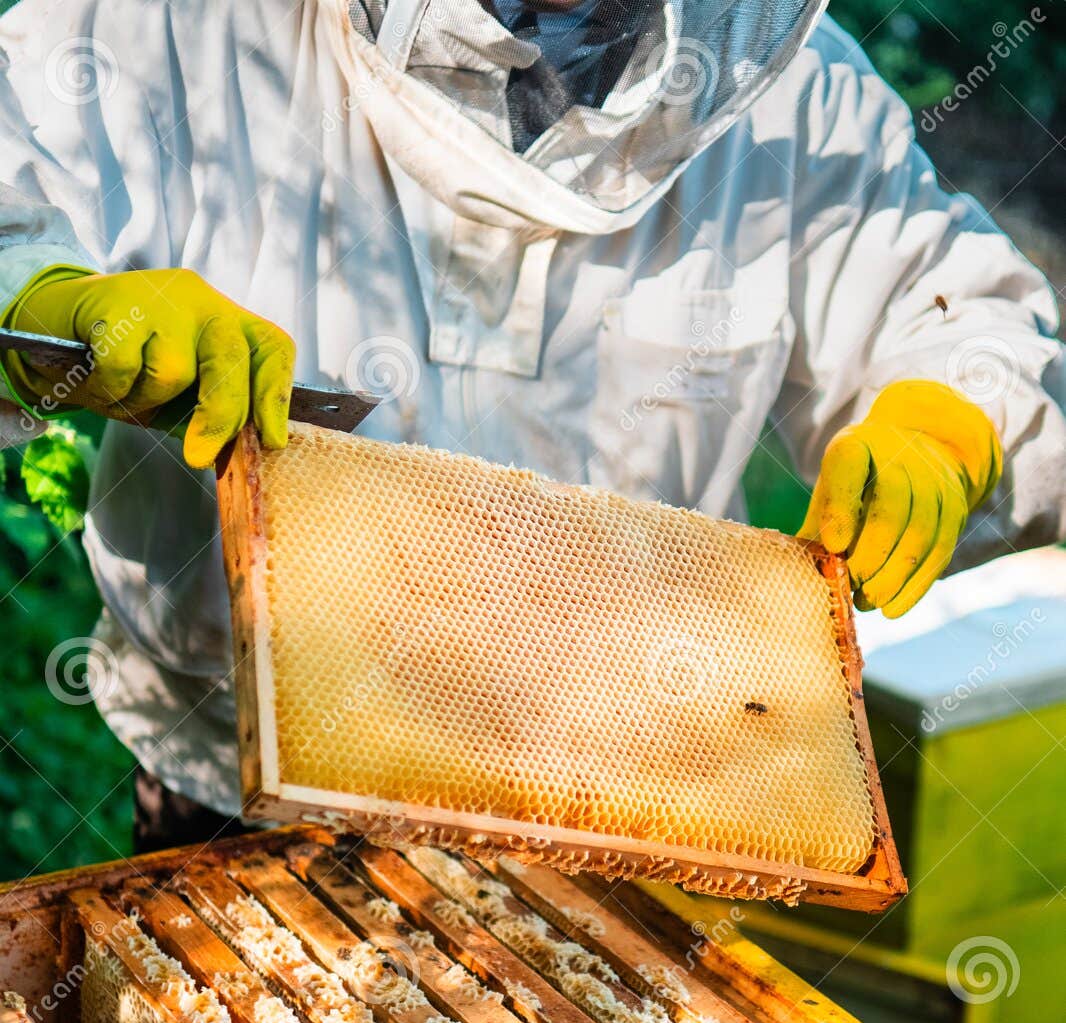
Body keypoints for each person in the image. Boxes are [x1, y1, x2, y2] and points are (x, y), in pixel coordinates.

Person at [1, 0, 1062, 852]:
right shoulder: (183, 30)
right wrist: (47, 306)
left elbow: (956, 309)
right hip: (237, 805)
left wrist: (943, 418)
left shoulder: (803, 101)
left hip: (630, 812)